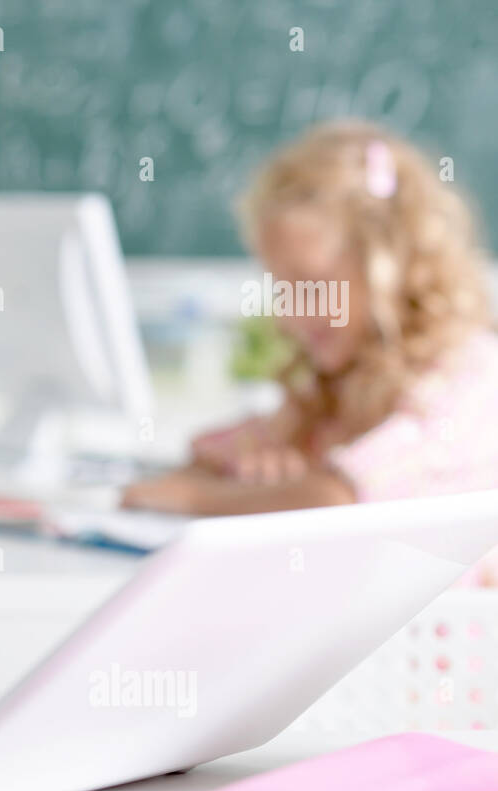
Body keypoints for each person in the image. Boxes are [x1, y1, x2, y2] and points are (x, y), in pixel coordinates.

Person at [123, 120, 498, 569]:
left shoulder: (470, 375)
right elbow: (207, 454)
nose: (288, 314)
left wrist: (193, 497)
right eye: (281, 287)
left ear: (388, 266)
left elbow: (341, 501)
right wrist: (251, 473)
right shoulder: (337, 384)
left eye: (311, 284)